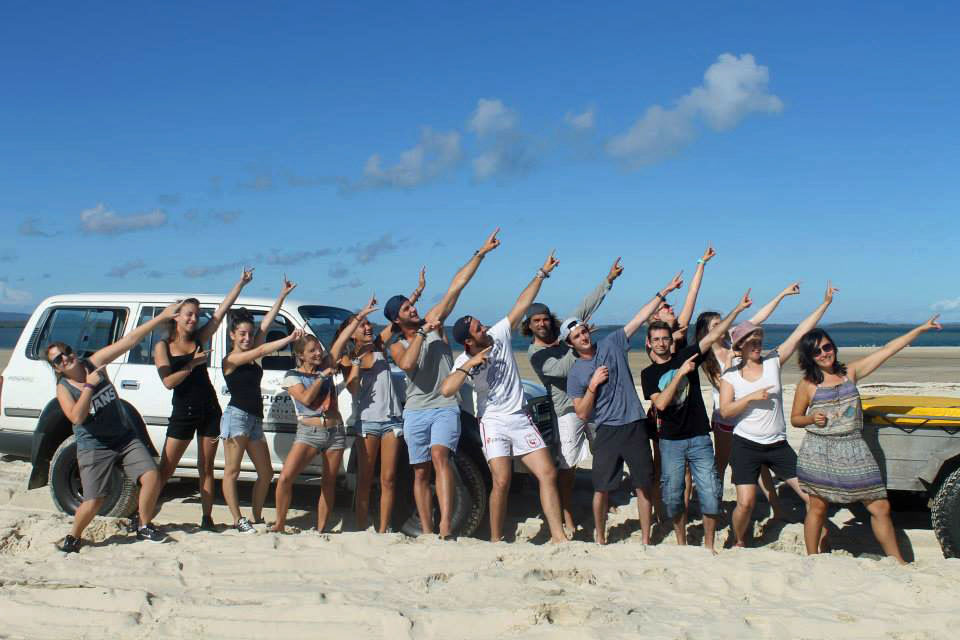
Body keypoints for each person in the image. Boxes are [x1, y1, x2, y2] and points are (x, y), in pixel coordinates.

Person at [791, 316, 941, 563]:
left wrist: (920, 329)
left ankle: (898, 561)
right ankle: (812, 559)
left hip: (854, 449)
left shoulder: (850, 373)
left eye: (827, 347)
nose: (823, 353)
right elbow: (795, 418)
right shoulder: (807, 384)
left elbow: (888, 350)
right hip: (820, 452)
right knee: (817, 507)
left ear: (834, 347)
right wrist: (810, 419)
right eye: (816, 351)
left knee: (880, 507)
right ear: (809, 356)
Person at [442, 251, 567, 543]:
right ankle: (497, 539)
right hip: (494, 423)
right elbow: (447, 389)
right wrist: (471, 366)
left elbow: (521, 305)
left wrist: (541, 273)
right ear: (468, 341)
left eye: (479, 323)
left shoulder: (498, 334)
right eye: (477, 327)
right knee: (502, 480)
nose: (483, 326)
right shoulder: (464, 360)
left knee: (547, 473)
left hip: (520, 418)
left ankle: (559, 536)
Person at [386, 228, 501, 538]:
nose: (414, 309)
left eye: (412, 306)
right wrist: (423, 333)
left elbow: (456, 286)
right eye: (406, 309)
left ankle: (446, 525)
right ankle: (425, 527)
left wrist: (481, 253)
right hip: (415, 410)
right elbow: (408, 364)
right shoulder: (397, 343)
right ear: (397, 320)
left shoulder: (433, 320)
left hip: (445, 405)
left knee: (441, 457)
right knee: (420, 471)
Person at [48, 301, 183, 552]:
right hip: (94, 445)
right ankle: (74, 536)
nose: (65, 357)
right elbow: (77, 418)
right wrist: (89, 386)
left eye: (66, 351)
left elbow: (130, 340)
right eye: (58, 359)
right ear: (56, 367)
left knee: (152, 476)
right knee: (95, 500)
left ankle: (143, 525)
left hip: (123, 438)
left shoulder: (94, 362)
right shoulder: (64, 389)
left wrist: (161, 316)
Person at [567, 271, 684, 545]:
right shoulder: (576, 373)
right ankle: (600, 537)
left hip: (634, 425)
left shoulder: (612, 342)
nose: (583, 336)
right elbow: (582, 413)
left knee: (643, 485)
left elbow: (640, 318)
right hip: (606, 431)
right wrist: (594, 385)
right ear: (570, 343)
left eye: (584, 331)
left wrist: (665, 290)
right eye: (576, 335)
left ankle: (645, 539)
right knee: (601, 489)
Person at [719, 283, 839, 547]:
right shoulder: (730, 377)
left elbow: (800, 332)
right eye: (752, 342)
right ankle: (738, 539)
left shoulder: (773, 361)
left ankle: (819, 538)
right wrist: (750, 397)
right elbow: (725, 412)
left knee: (811, 497)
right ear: (740, 345)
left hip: (777, 444)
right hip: (745, 445)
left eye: (759, 341)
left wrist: (825, 303)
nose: (758, 346)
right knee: (746, 503)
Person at [641, 290, 752, 552]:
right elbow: (661, 403)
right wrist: (680, 374)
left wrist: (736, 310)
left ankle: (709, 545)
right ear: (648, 343)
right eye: (656, 339)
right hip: (670, 442)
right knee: (673, 496)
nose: (661, 343)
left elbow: (713, 336)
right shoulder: (649, 374)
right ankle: (681, 543)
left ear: (671, 341)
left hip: (700, 437)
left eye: (665, 339)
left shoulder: (687, 354)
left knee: (711, 492)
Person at [525, 257, 623, 533]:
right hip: (566, 410)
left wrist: (608, 280)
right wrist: (573, 343)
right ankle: (566, 512)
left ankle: (609, 497)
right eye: (536, 321)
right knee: (567, 464)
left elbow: (584, 308)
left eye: (545, 319)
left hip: (592, 402)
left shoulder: (560, 335)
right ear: (529, 325)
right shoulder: (536, 353)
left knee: (604, 452)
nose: (542, 324)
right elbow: (558, 370)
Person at [154, 268, 253, 530]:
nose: (194, 319)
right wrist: (191, 364)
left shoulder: (199, 338)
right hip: (183, 411)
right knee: (166, 468)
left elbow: (220, 314)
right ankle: (144, 517)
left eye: (197, 315)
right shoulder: (162, 346)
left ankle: (207, 518)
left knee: (206, 467)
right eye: (189, 314)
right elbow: (167, 382)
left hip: (209, 408)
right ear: (176, 317)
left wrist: (240, 284)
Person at [694, 282, 801, 513]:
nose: (724, 325)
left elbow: (757, 319)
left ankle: (777, 509)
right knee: (721, 465)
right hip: (726, 420)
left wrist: (781, 294)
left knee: (762, 468)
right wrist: (733, 360)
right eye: (717, 324)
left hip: (749, 418)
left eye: (723, 321)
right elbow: (724, 384)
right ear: (707, 330)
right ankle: (717, 505)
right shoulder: (707, 355)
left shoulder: (735, 343)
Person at [219, 277, 301, 533]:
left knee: (266, 473)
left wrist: (282, 296)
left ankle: (255, 516)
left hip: (254, 419)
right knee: (231, 472)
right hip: (237, 417)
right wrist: (289, 338)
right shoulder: (232, 359)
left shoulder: (253, 346)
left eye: (249, 333)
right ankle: (237, 518)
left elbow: (264, 325)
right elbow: (261, 349)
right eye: (241, 333)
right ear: (232, 335)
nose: (246, 337)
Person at [334, 288, 417, 532]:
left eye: (369, 324)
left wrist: (413, 298)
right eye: (362, 325)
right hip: (367, 423)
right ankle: (361, 527)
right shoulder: (348, 359)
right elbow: (352, 389)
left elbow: (396, 320)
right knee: (365, 481)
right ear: (352, 334)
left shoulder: (379, 346)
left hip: (392, 421)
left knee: (388, 480)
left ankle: (382, 529)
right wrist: (358, 361)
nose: (368, 328)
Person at [271, 322, 359, 533]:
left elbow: (340, 342)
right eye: (312, 351)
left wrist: (360, 316)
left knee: (329, 482)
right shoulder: (293, 375)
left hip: (334, 431)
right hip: (309, 433)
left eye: (319, 348)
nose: (318, 353)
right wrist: (321, 377)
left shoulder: (325, 365)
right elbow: (307, 399)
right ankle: (280, 523)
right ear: (301, 355)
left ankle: (321, 529)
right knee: (285, 478)